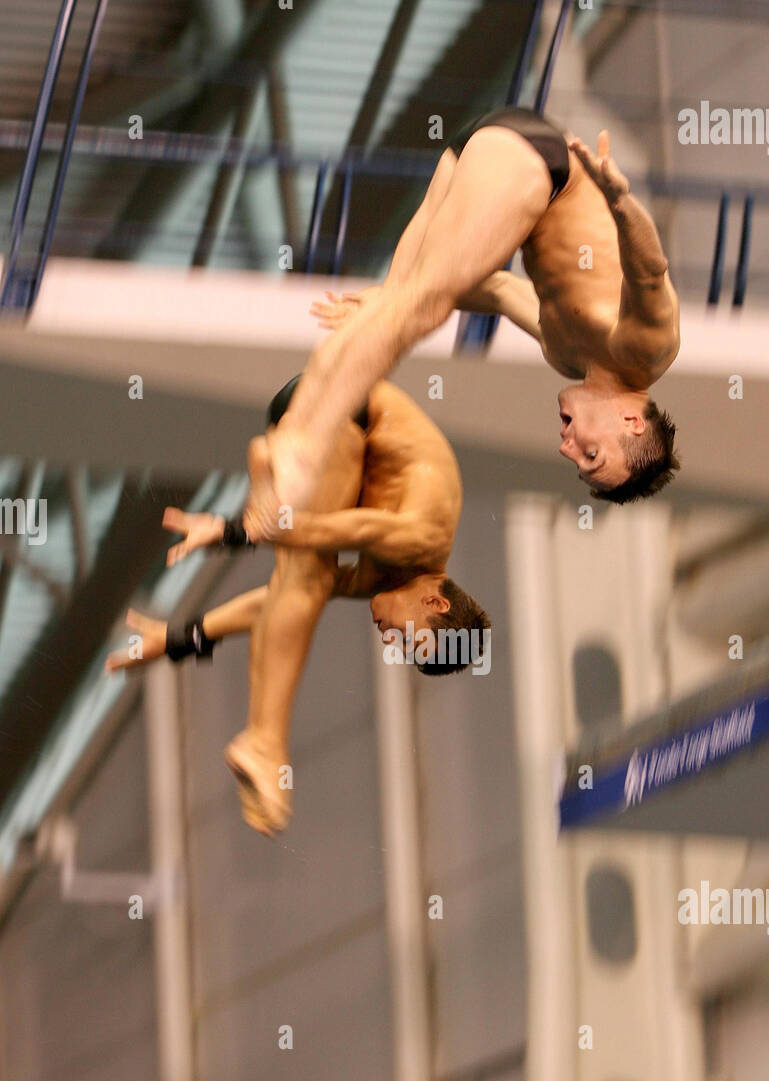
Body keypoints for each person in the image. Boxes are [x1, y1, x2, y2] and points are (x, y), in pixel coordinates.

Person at [246, 115, 681, 543]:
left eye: (577, 461)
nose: (567, 448)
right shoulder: (647, 352)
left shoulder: (565, 355)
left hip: (482, 150)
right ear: (631, 422)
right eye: (591, 453)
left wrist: (392, 294)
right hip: (536, 165)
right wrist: (622, 202)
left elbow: (497, 290)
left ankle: (294, 428)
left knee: (398, 305)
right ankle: (305, 446)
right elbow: (650, 273)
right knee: (420, 308)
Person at [106, 377, 490, 835]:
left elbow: (276, 603)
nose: (389, 639)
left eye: (399, 648)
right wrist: (238, 532)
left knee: (302, 584)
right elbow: (351, 532)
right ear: (434, 600)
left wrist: (181, 639)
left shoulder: (383, 580)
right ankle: (264, 743)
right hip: (345, 407)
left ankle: (263, 740)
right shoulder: (424, 535)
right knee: (308, 573)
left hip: (313, 424)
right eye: (406, 637)